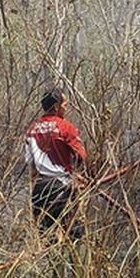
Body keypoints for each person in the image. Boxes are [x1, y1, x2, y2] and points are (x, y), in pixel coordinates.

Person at [23, 90, 87, 239]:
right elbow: (81, 156)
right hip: (61, 187)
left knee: (46, 237)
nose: (66, 109)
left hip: (39, 189)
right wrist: (80, 175)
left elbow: (31, 165)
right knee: (74, 234)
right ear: (57, 107)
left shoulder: (31, 129)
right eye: (65, 105)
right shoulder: (66, 127)